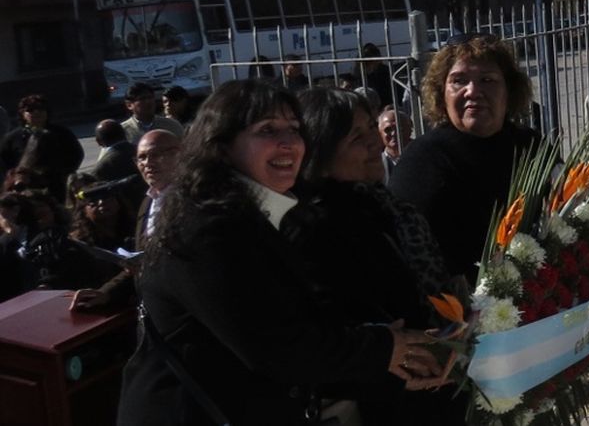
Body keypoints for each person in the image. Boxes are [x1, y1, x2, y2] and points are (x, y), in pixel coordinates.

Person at [117, 80, 442, 426]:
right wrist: (384, 347)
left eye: (294, 129)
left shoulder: (261, 213)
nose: (288, 142)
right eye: (267, 129)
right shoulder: (206, 228)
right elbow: (274, 345)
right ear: (222, 146)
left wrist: (382, 344)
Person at [286, 88, 459, 424]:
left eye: (370, 129)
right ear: (320, 151)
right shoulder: (310, 227)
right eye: (356, 136)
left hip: (425, 388)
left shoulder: (381, 206)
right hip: (379, 403)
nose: (376, 144)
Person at [388, 34, 537, 285]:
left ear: (509, 89)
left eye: (487, 80)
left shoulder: (533, 146)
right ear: (441, 92)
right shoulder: (422, 160)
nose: (473, 92)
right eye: (459, 81)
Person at [71, 129, 182, 312]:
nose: (148, 163)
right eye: (142, 158)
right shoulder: (148, 201)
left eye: (156, 155)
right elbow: (142, 265)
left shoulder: (196, 199)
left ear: (180, 155)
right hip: (155, 311)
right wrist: (107, 292)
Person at [0, 94, 85, 184]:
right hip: (25, 186)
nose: (36, 112)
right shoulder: (12, 138)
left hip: (58, 184)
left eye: (41, 109)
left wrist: (62, 173)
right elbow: (4, 162)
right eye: (30, 110)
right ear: (23, 114)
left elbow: (76, 155)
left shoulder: (62, 133)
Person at [378, 108, 413, 182]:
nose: (394, 133)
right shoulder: (375, 164)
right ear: (379, 134)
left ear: (410, 129)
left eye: (399, 128)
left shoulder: (421, 155)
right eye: (388, 130)